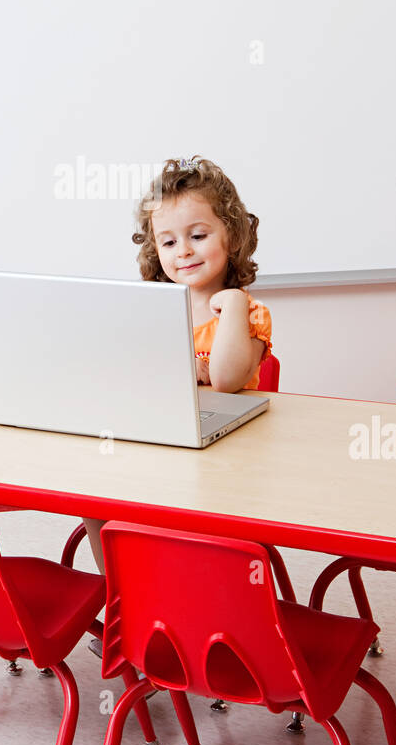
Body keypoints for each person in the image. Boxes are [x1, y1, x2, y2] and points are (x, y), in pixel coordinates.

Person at [83, 155, 272, 574]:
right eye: (168, 242)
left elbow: (223, 380)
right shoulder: (152, 313)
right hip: (166, 441)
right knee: (94, 495)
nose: (183, 250)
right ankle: (127, 601)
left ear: (232, 235)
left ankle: (180, 600)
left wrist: (234, 306)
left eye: (198, 235)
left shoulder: (248, 313)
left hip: (227, 458)